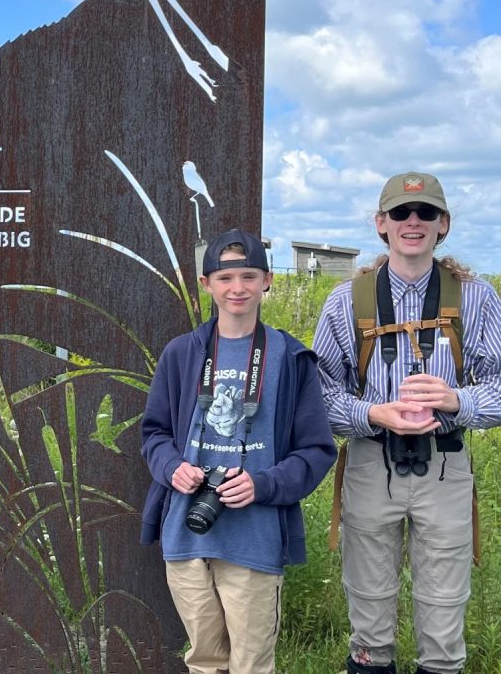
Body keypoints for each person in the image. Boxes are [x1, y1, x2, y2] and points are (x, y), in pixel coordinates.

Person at [313, 172, 501, 674]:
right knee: (367, 614)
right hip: (370, 464)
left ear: (443, 225)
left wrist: (456, 401)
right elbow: (317, 397)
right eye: (402, 214)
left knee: (444, 617)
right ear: (381, 224)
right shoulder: (345, 301)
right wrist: (370, 413)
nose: (414, 222)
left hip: (445, 470)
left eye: (426, 213)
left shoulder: (477, 299)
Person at [140, 228, 336, 674]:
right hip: (186, 532)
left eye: (249, 276)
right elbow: (153, 434)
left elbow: (317, 450)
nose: (238, 288)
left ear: (267, 280)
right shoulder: (182, 353)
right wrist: (173, 469)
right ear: (207, 284)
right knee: (205, 660)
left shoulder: (290, 357)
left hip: (254, 535)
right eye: (225, 278)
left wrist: (262, 484)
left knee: (251, 664)